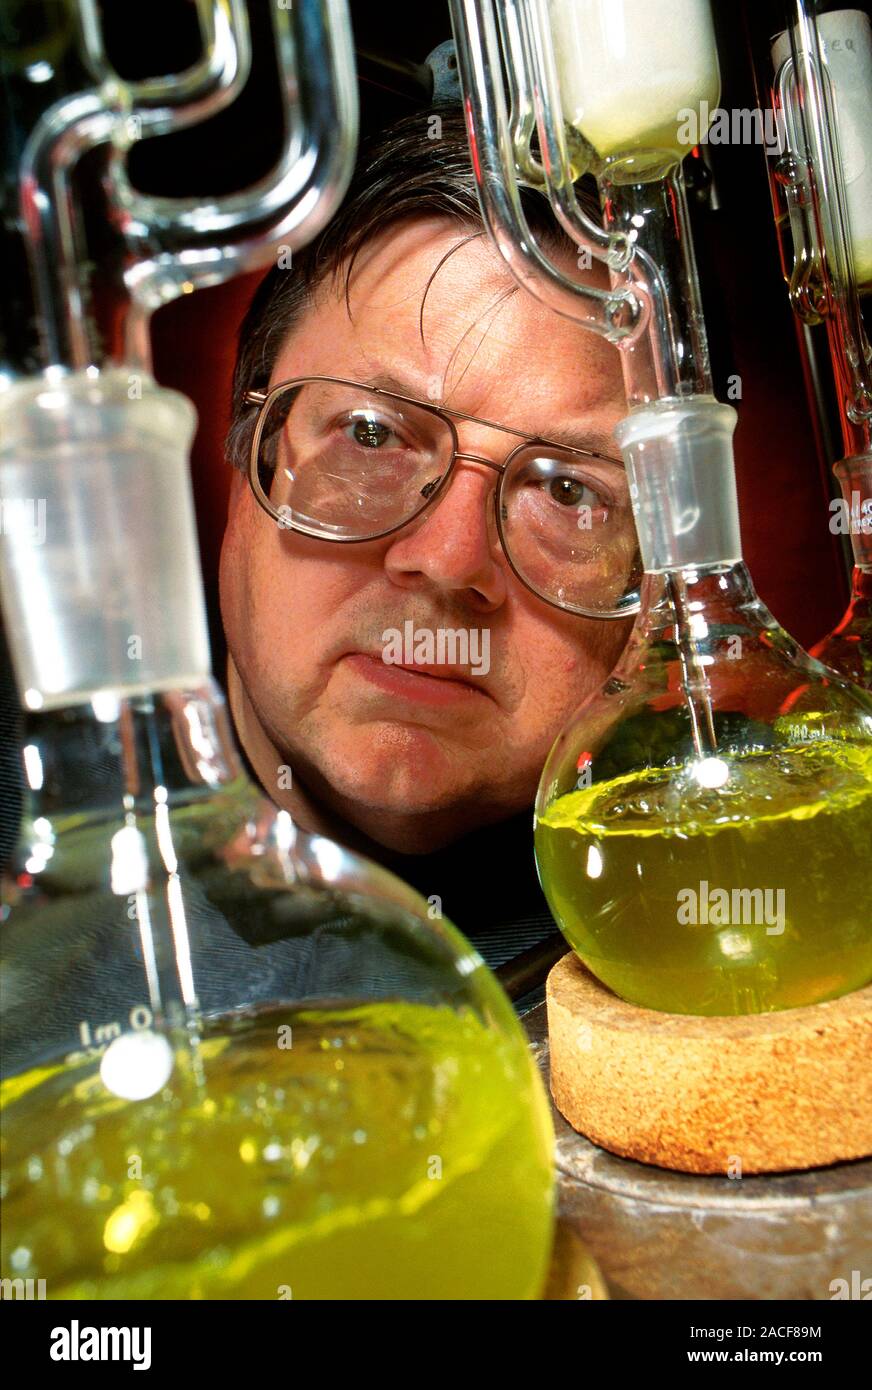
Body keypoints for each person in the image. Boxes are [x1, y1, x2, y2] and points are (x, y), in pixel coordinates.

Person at [219, 108, 636, 967]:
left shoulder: (731, 881)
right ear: (243, 444)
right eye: (370, 435)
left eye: (566, 490)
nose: (447, 562)